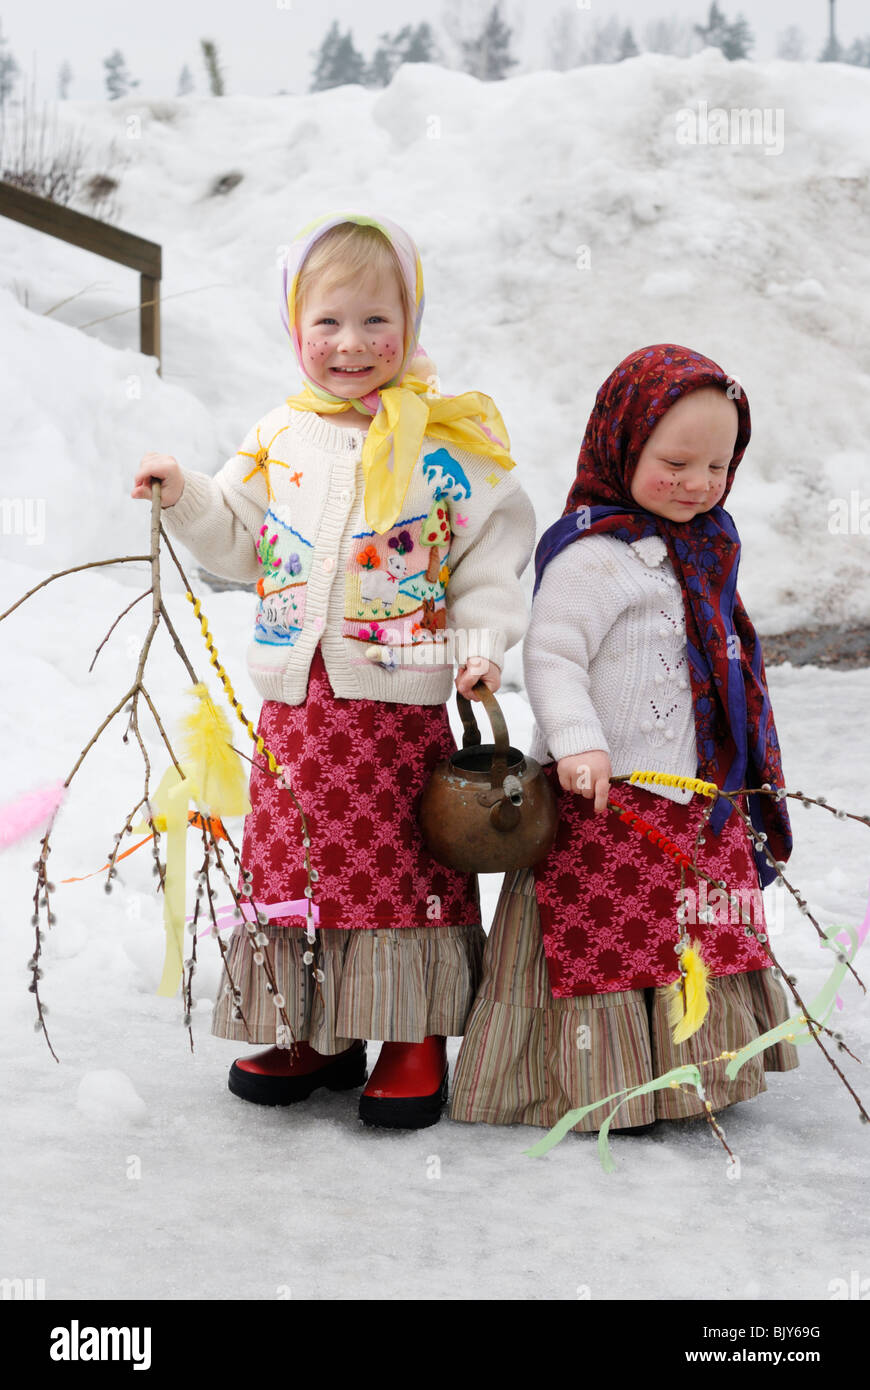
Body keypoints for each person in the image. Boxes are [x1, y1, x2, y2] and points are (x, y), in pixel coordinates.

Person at [131, 212, 536, 1129]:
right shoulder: (282, 433)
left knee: (395, 865)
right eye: (328, 323)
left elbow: (487, 563)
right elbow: (239, 538)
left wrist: (480, 646)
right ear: (294, 327)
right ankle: (316, 1026)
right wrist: (185, 493)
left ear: (412, 320)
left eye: (375, 321)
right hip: (296, 708)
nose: (350, 344)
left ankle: (410, 1033)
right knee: (300, 861)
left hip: (396, 706)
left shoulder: (449, 446)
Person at [450, 343, 799, 1134]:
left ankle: (687, 1075)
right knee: (602, 941)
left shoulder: (707, 550)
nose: (697, 484)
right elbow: (553, 654)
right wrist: (576, 741)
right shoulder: (593, 555)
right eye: (675, 461)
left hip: (696, 796)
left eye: (717, 466)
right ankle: (592, 1079)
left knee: (691, 932)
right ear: (623, 443)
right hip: (602, 798)